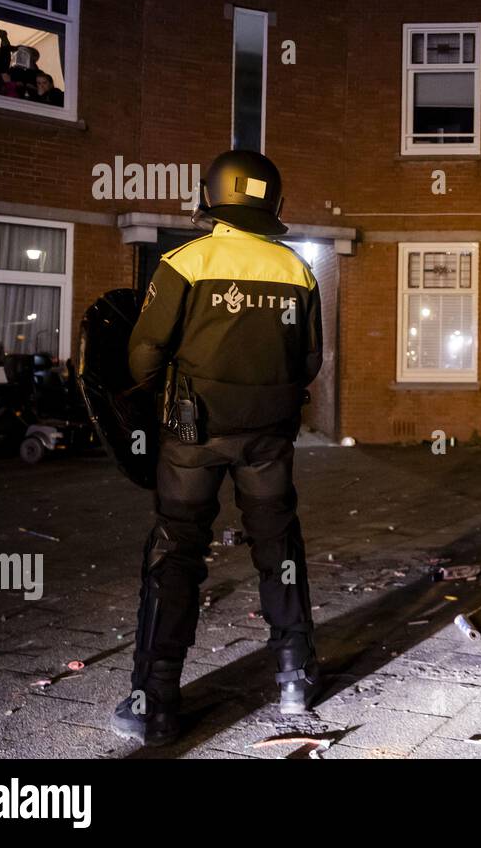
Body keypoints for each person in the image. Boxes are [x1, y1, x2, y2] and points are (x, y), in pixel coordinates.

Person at [111, 149, 324, 746]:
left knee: (175, 550)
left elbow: (143, 355)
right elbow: (310, 361)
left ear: (214, 197)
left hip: (192, 437)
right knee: (277, 544)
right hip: (269, 438)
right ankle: (294, 676)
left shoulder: (186, 262)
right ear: (273, 202)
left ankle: (153, 701)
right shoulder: (298, 271)